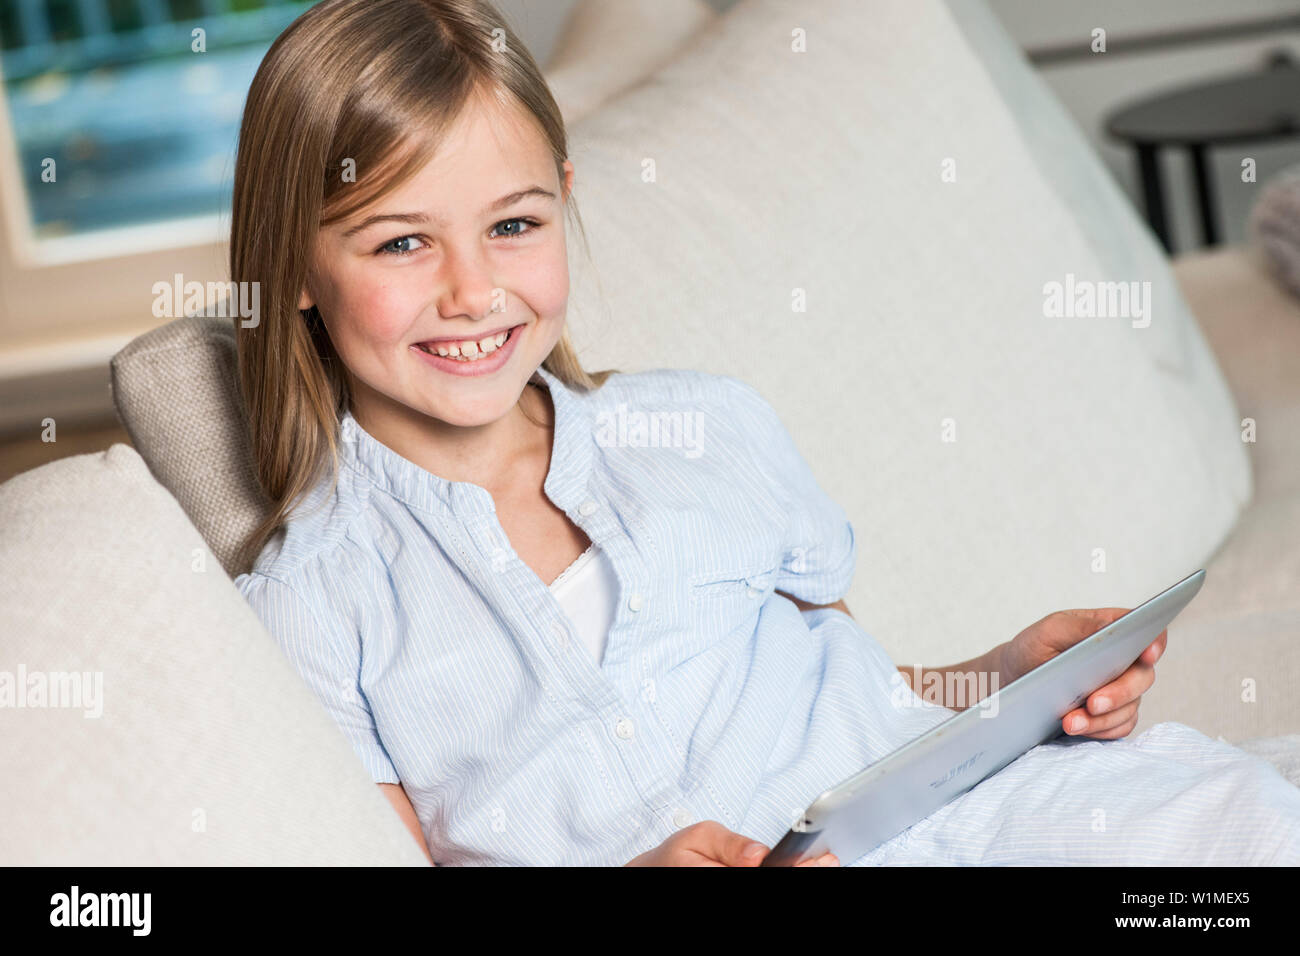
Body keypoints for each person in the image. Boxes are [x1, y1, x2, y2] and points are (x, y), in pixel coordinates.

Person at [230, 0, 1300, 866]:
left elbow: (860, 697)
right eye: (402, 241)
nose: (473, 291)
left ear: (563, 201)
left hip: (991, 821)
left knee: (1237, 821)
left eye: (513, 225)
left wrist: (1007, 681)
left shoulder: (700, 429)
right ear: (299, 272)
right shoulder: (312, 600)